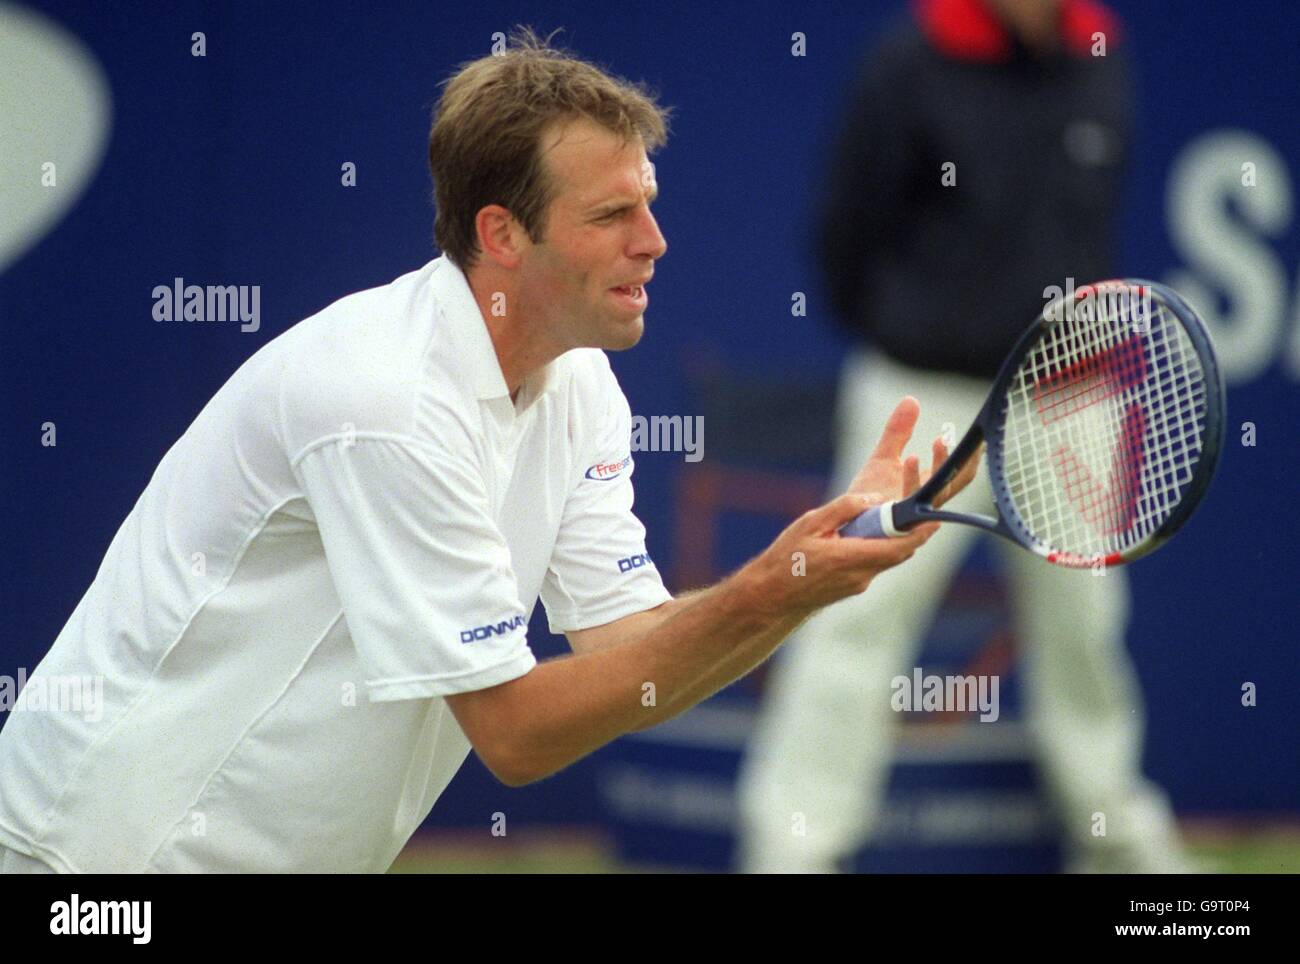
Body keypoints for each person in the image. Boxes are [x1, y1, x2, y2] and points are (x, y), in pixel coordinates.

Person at [0, 27, 976, 873]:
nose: (656, 240)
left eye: (649, 200)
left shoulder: (579, 378)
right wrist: (771, 586)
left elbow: (629, 657)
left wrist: (812, 574)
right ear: (502, 235)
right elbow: (514, 733)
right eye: (611, 214)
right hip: (95, 859)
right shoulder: (380, 399)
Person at [736, 0, 1190, 873]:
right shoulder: (908, 61)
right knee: (856, 616)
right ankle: (790, 849)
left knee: (1084, 631)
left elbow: (1088, 223)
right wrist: (920, 330)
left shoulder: (1102, 52)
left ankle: (1121, 848)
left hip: (1070, 391)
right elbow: (846, 230)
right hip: (922, 390)